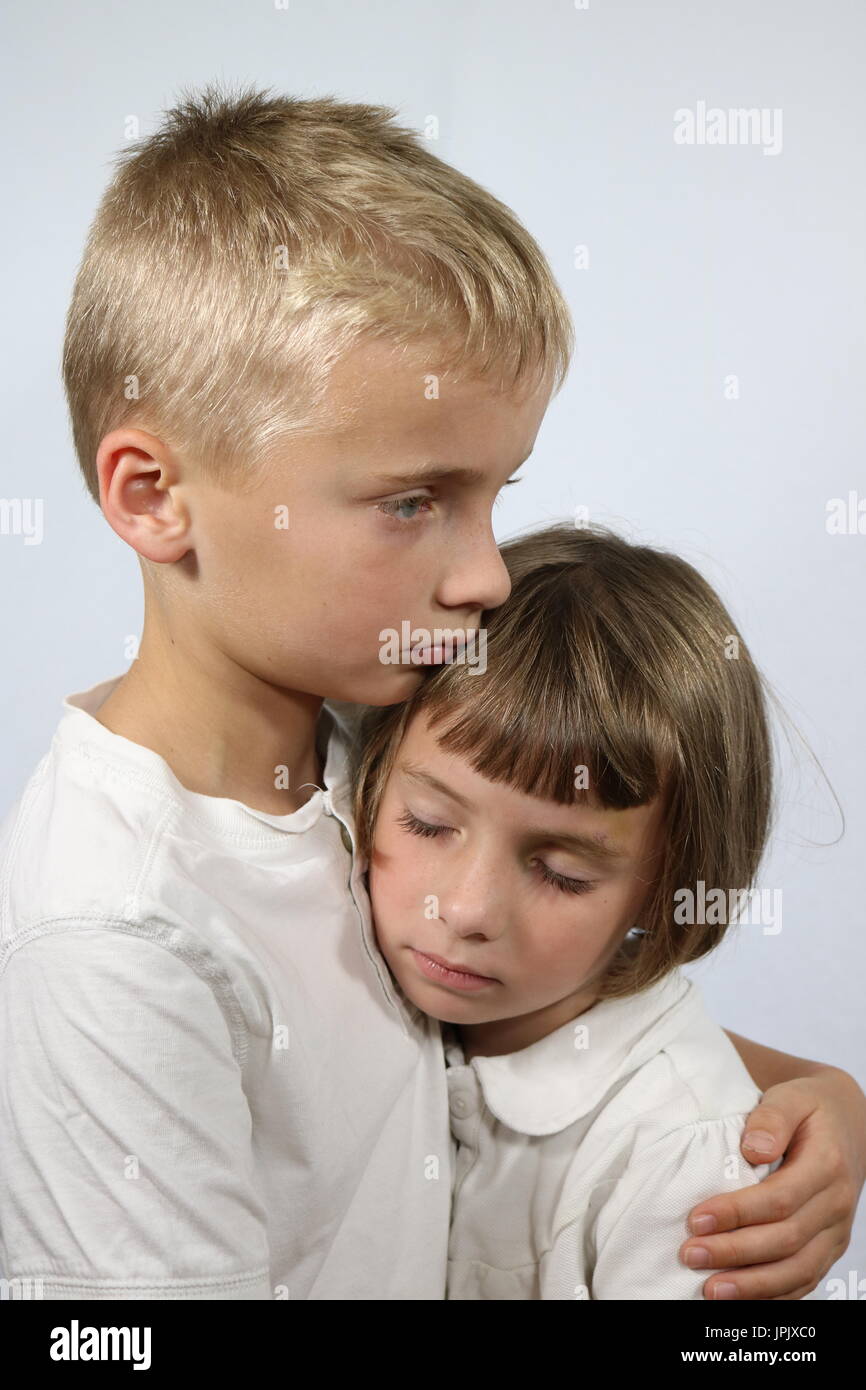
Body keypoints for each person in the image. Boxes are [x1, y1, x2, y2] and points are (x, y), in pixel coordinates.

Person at [0, 85, 862, 1301]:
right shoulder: (118, 936)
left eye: (496, 495)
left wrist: (811, 1096)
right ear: (152, 497)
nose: (483, 573)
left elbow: (549, 1039)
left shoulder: (374, 738)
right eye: (414, 502)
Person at [350, 521, 862, 1299]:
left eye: (561, 874)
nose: (464, 908)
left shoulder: (687, 1167)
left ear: (666, 888)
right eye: (428, 823)